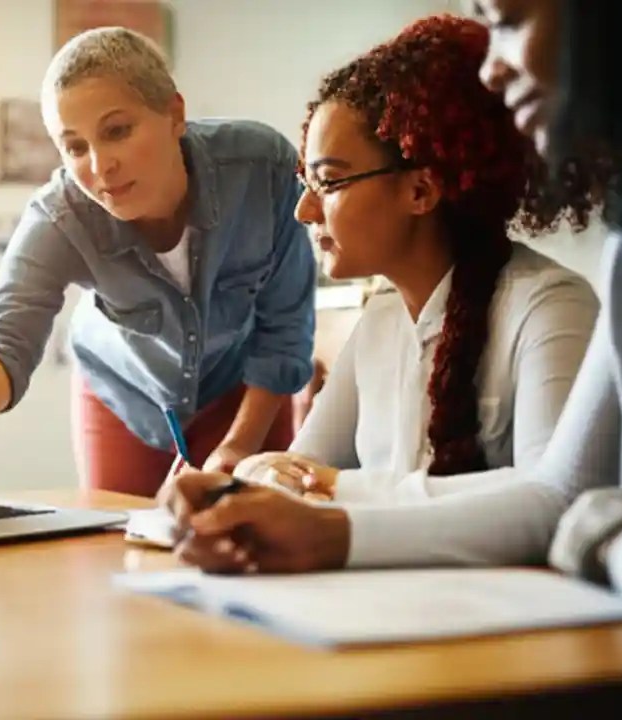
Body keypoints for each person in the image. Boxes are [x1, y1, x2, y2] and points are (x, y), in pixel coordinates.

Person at [165, 0, 622, 641]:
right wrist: (309, 521)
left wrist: (604, 536)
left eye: (510, 19)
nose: (492, 71)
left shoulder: (553, 300)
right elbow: (562, 499)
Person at [0, 27, 316, 497]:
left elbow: (285, 329)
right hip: (122, 395)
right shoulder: (60, 216)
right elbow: (6, 333)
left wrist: (236, 448)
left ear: (175, 114)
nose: (99, 165)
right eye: (74, 146)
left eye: (117, 131)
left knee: (252, 535)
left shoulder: (263, 169)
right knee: (116, 543)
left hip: (243, 389)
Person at [222, 14, 600, 512]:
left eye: (329, 183)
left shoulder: (549, 308)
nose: (304, 210)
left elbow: (552, 500)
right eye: (306, 184)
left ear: (420, 190)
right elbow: (296, 472)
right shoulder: (380, 320)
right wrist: (253, 468)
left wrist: (339, 486)